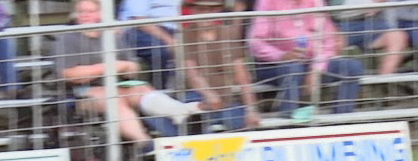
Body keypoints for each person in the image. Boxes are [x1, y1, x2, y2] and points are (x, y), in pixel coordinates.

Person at [56, 0, 203, 155]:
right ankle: (145, 143)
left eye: (90, 11)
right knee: (113, 99)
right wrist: (110, 67)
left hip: (119, 86)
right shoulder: (67, 39)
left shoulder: (113, 36)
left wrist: (123, 67)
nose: (85, 16)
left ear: (100, 13)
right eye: (81, 12)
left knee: (141, 88)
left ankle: (176, 110)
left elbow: (133, 68)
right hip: (83, 93)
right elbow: (70, 74)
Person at [247, 0, 364, 116]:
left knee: (352, 67)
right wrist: (281, 56)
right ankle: (288, 124)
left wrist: (316, 69)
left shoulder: (316, 2)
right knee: (293, 68)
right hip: (274, 65)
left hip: (310, 62)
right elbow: (256, 42)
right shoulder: (267, 2)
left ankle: (340, 121)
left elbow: (328, 41)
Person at [177, 0, 261, 131]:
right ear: (192, 11)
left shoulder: (228, 34)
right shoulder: (184, 36)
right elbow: (192, 73)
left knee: (241, 123)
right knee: (196, 117)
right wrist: (209, 94)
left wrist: (252, 109)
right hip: (198, 98)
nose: (206, 14)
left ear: (218, 10)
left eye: (211, 9)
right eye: (200, 9)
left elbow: (242, 76)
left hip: (227, 100)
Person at [118, 0, 181, 90]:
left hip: (175, 30)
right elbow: (138, 20)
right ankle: (160, 93)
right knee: (160, 51)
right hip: (139, 29)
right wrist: (169, 40)